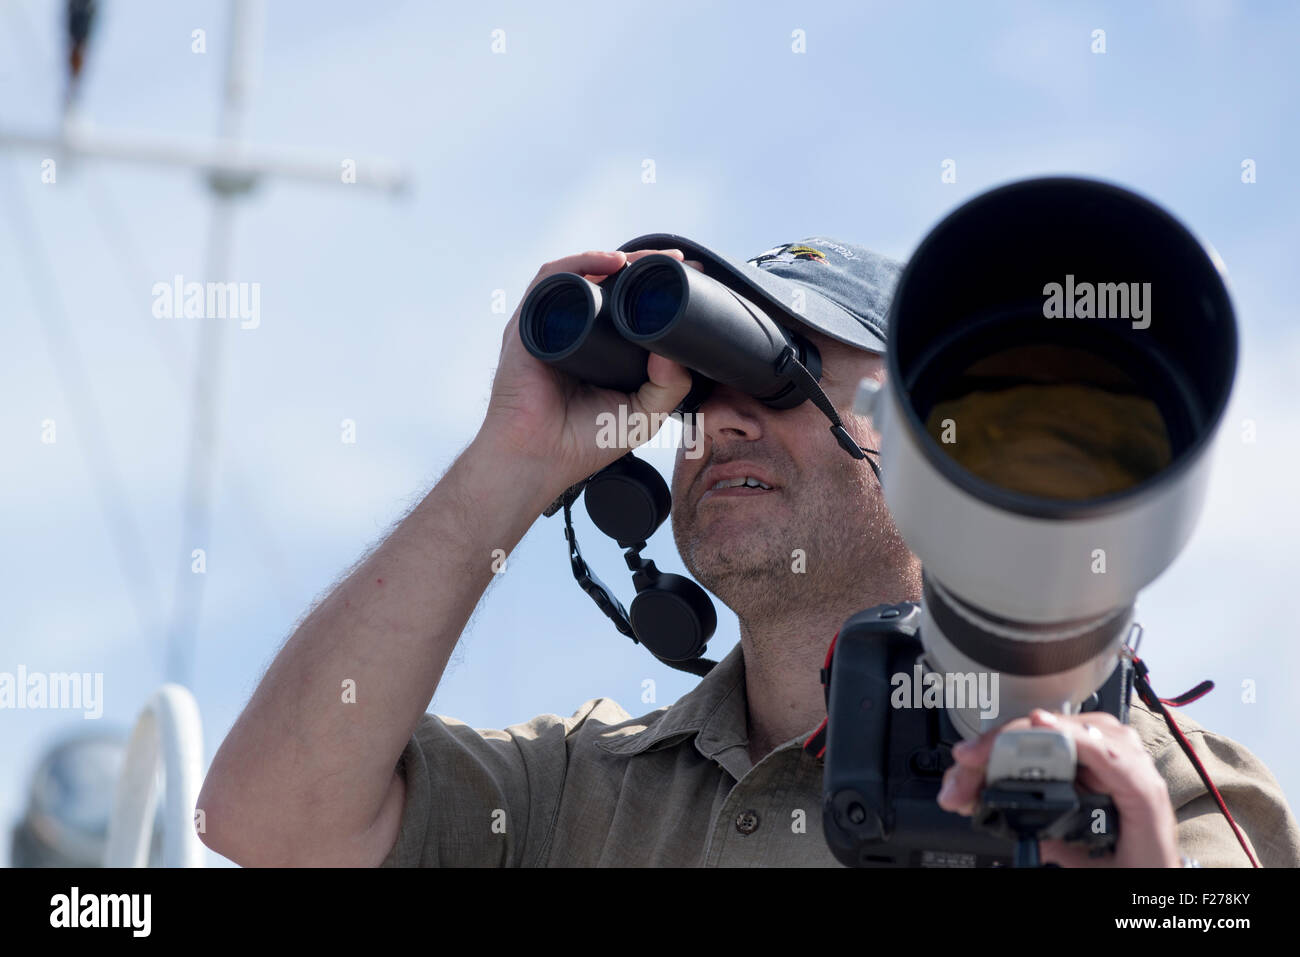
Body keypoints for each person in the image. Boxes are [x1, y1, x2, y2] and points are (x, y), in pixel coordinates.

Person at [197, 236, 1300, 868]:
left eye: (782, 380)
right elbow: (263, 818)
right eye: (693, 399)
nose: (717, 425)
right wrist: (512, 459)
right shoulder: (584, 790)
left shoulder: (1140, 780)